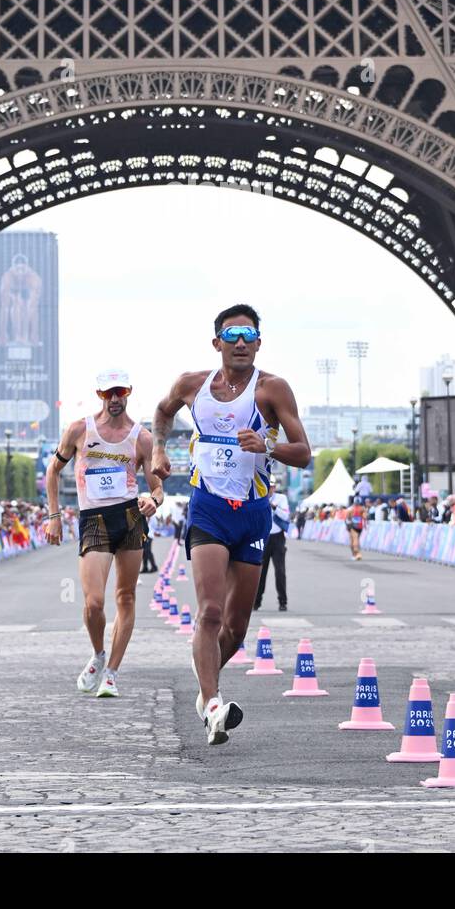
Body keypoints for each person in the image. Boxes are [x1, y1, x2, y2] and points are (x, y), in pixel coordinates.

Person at [151, 304, 311, 747]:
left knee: (236, 628)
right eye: (232, 333)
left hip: (255, 512)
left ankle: (207, 692)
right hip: (208, 509)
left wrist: (269, 445)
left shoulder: (272, 390)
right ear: (216, 341)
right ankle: (214, 700)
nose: (240, 341)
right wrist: (158, 451)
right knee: (210, 612)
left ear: (259, 342)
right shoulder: (190, 385)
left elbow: (304, 452)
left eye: (249, 334)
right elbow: (162, 413)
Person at [44, 369, 162, 699]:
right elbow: (52, 471)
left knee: (125, 597)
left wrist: (152, 500)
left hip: (129, 516)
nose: (114, 398)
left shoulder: (142, 437)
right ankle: (97, 654)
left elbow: (157, 487)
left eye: (120, 392)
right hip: (93, 518)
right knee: (94, 603)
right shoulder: (80, 429)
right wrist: (54, 516)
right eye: (108, 393)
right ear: (99, 395)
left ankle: (112, 672)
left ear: (128, 392)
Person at [254, 478, 291, 610]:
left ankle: (283, 602)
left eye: (272, 487)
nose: (270, 490)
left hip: (278, 537)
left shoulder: (281, 498)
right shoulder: (258, 497)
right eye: (268, 487)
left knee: (280, 571)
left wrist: (274, 507)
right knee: (260, 572)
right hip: (263, 537)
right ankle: (256, 602)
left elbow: (286, 517)